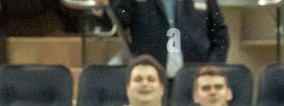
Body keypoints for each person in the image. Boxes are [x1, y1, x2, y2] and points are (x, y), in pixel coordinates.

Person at [96, 0, 228, 80]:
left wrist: (213, 65)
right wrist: (102, 8)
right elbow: (117, 22)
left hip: (194, 77)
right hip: (151, 78)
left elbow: (220, 33)